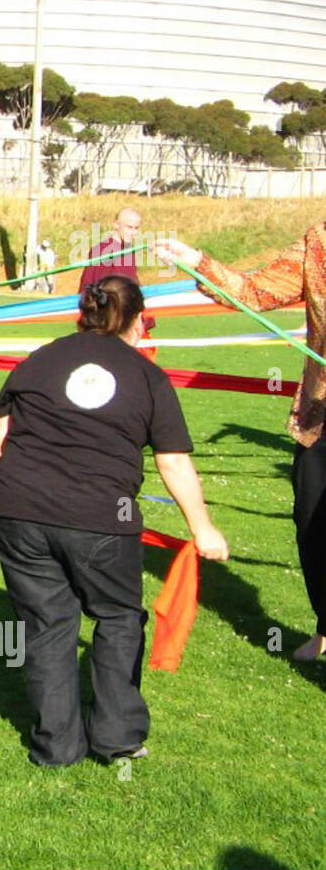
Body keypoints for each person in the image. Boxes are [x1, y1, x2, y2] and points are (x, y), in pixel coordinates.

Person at [0, 275, 228, 767]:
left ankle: (56, 747)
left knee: (47, 626)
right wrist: (203, 528)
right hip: (99, 517)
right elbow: (174, 460)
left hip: (19, 511)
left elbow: (2, 439)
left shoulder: (39, 360)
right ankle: (116, 736)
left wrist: (30, 492)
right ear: (139, 322)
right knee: (118, 617)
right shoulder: (147, 375)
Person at [159, 229, 326, 661]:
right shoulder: (317, 243)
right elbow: (255, 291)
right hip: (320, 419)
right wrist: (197, 259)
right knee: (313, 524)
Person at [80, 207, 155, 358]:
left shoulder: (127, 250)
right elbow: (96, 284)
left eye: (136, 228)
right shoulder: (102, 250)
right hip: (109, 321)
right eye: (129, 227)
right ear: (116, 225)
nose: (132, 232)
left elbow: (131, 283)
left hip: (126, 318)